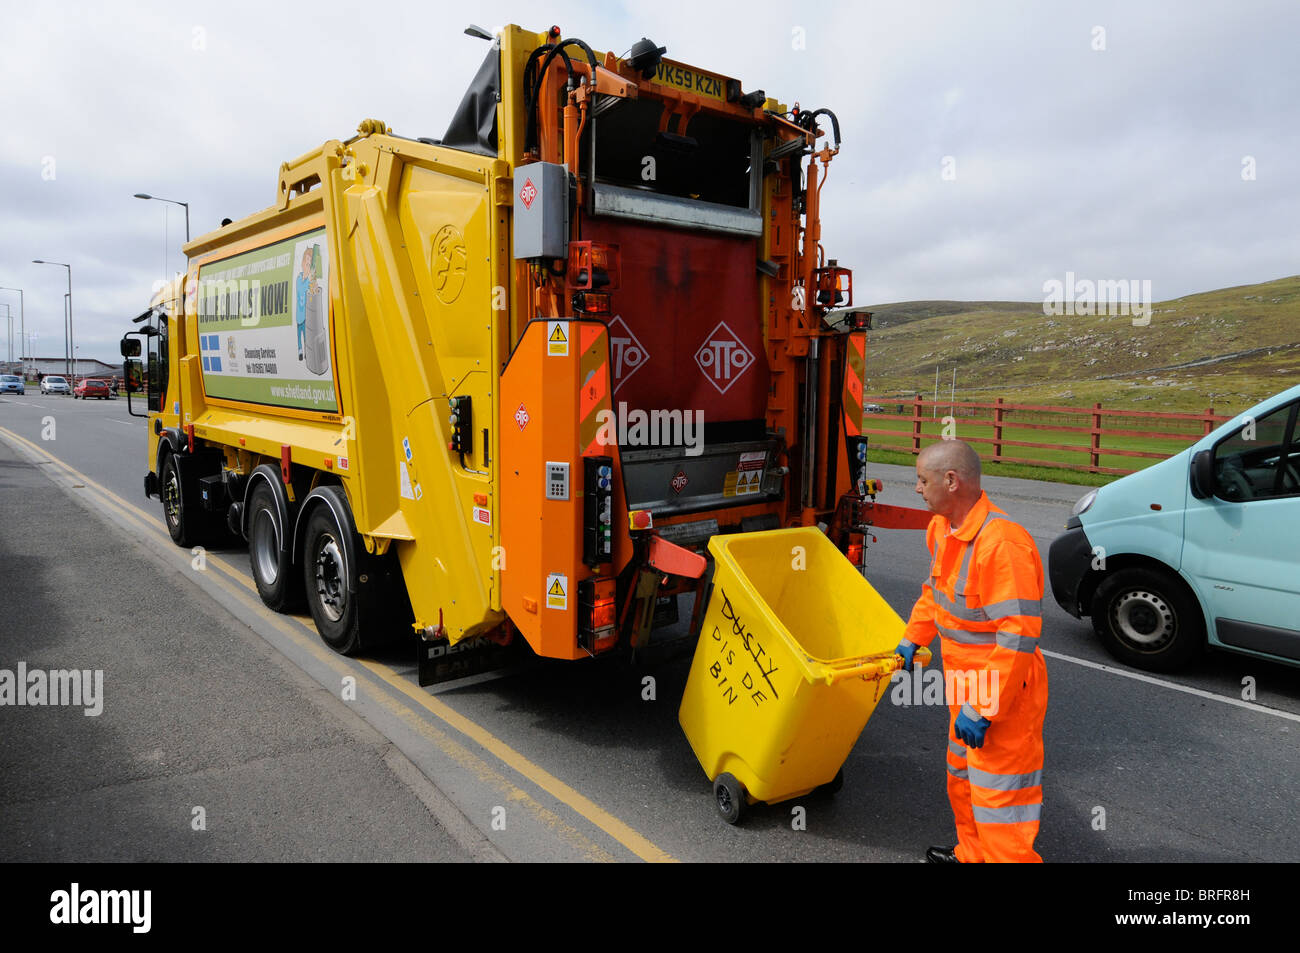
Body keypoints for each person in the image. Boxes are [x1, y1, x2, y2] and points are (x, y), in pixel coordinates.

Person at [895, 439, 1049, 863]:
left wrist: (983, 708)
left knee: (1000, 802)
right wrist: (913, 638)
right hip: (966, 685)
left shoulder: (1001, 543)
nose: (916, 489)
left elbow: (1018, 635)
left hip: (1001, 694)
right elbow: (936, 592)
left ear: (951, 481)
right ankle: (972, 856)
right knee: (963, 780)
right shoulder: (943, 529)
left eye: (922, 481)